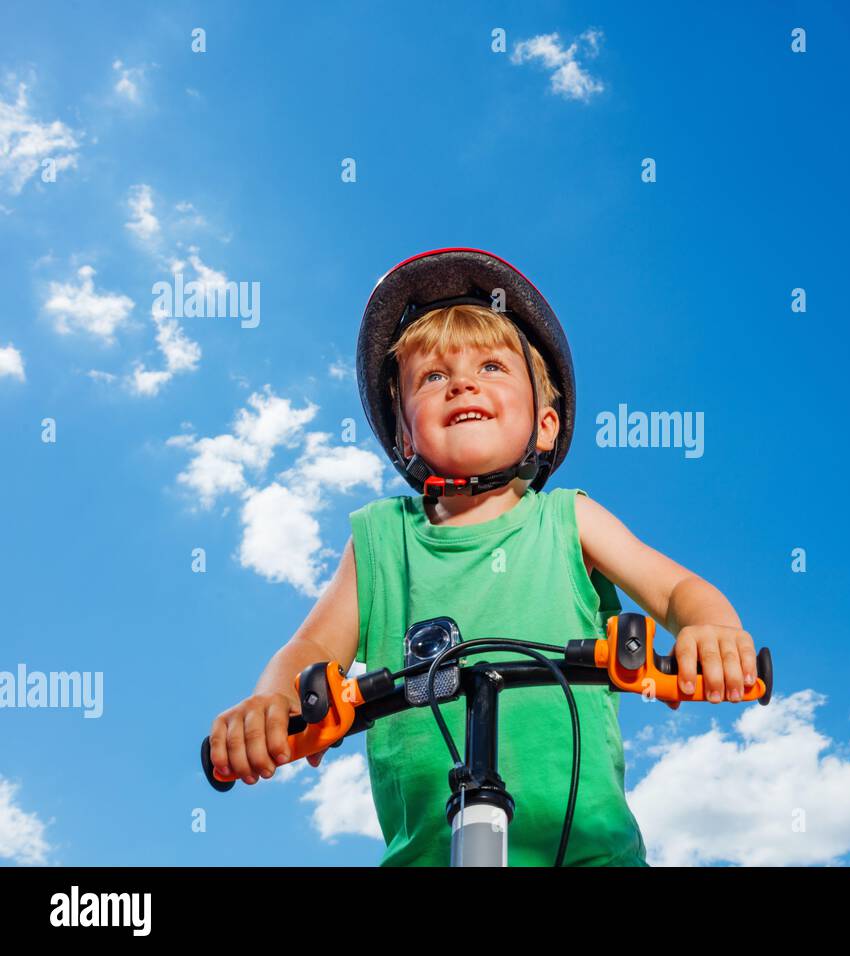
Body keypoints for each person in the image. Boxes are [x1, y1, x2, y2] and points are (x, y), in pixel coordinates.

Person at [205, 248, 757, 866]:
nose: (462, 383)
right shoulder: (381, 539)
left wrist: (712, 632)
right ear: (406, 436)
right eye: (433, 377)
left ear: (545, 426)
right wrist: (271, 703)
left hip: (587, 857)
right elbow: (309, 650)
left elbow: (677, 590)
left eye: (492, 366)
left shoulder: (568, 520)